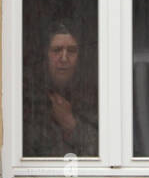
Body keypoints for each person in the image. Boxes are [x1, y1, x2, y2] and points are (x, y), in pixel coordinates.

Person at [23, 20, 99, 157]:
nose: (64, 58)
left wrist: (71, 124)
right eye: (57, 50)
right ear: (45, 55)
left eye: (71, 51)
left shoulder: (96, 96)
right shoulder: (27, 99)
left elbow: (107, 153)